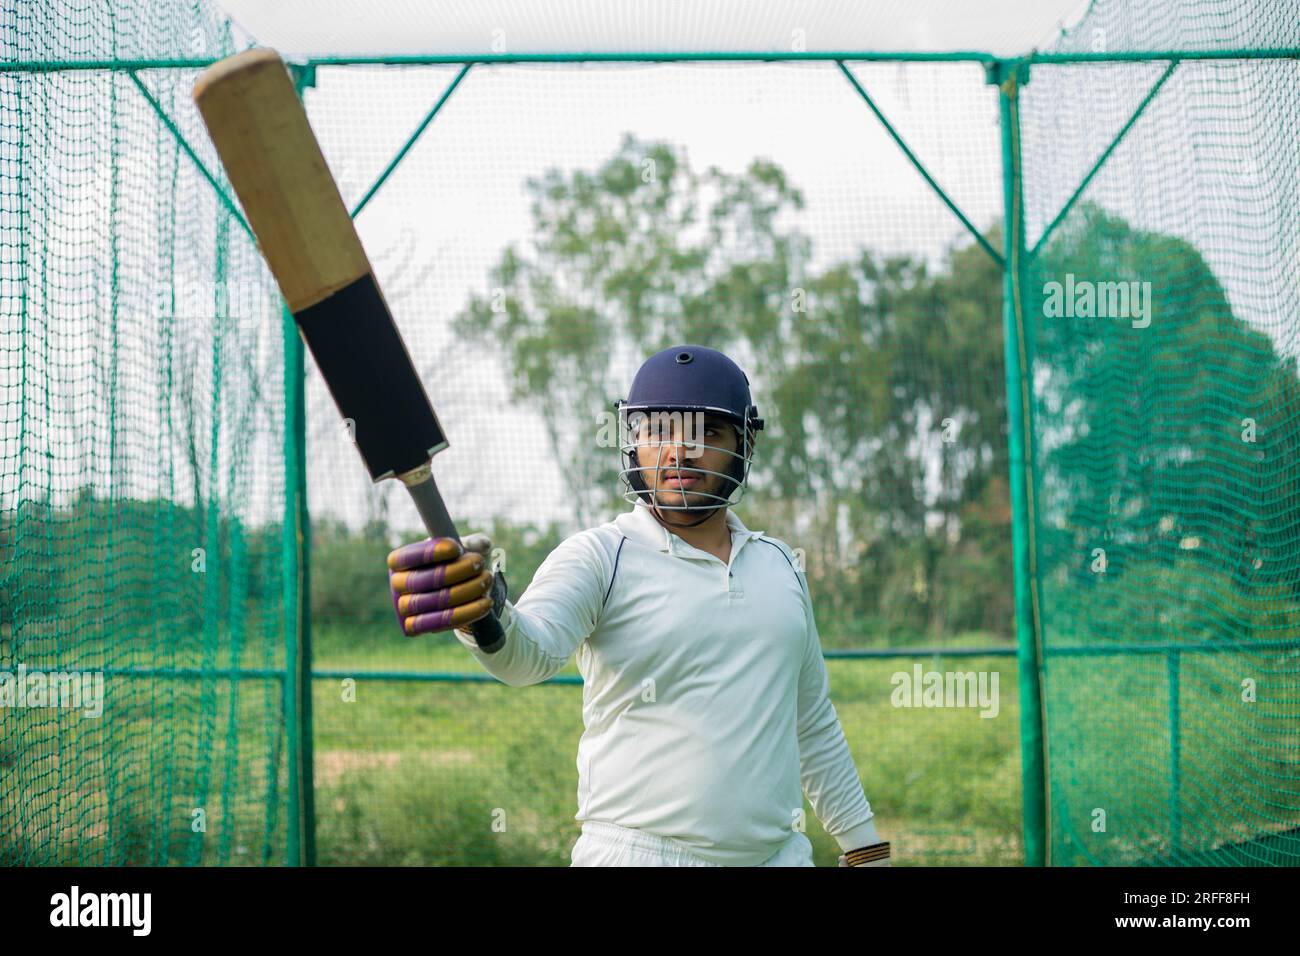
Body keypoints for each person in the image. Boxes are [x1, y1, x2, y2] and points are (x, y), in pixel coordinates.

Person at [387, 344, 889, 867]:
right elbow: (526, 654)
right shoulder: (601, 554)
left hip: (781, 856)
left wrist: (867, 853)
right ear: (633, 442)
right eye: (658, 431)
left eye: (707, 433)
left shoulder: (781, 563)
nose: (679, 452)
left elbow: (811, 721)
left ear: (745, 443)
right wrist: (485, 615)